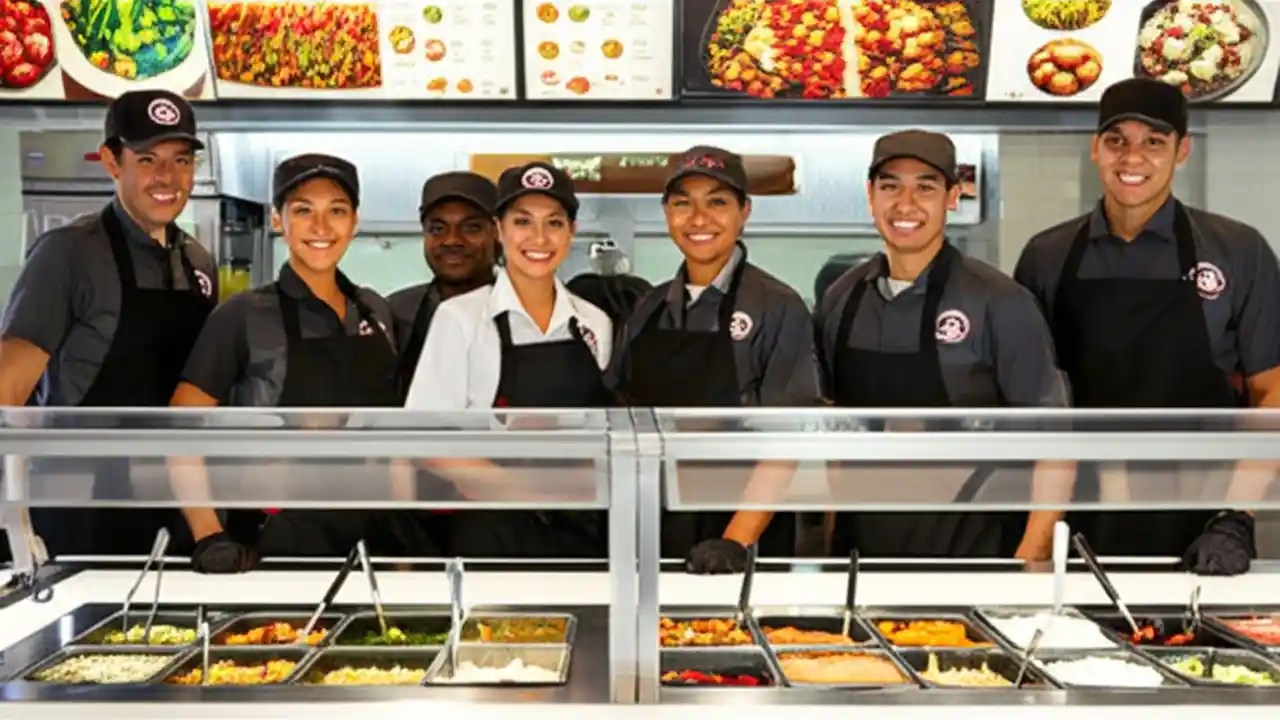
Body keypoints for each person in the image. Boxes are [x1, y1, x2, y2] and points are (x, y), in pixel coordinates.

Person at [1015, 78, 1280, 574]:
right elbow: (1034, 408)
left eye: (1154, 142)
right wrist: (1038, 538)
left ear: (1182, 151)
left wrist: (1235, 516)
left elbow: (1272, 393)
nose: (1132, 158)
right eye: (1117, 140)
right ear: (1096, 149)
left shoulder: (1239, 250)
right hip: (1078, 522)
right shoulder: (1046, 256)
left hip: (1203, 524)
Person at [816, 130, 1072, 560]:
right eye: (890, 186)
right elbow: (838, 440)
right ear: (870, 195)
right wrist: (828, 552)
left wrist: (1025, 567)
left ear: (952, 197)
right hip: (861, 556)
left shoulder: (999, 301)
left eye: (926, 188)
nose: (906, 204)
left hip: (975, 555)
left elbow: (1056, 447)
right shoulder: (841, 298)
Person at [169, 153, 427, 572]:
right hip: (277, 539)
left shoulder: (375, 311)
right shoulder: (244, 315)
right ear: (278, 220)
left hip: (373, 540)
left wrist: (404, 551)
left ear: (354, 222)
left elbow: (392, 442)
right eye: (304, 211)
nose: (321, 227)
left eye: (336, 211)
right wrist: (210, 536)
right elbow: (179, 430)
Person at [0, 90, 217, 557]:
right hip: (78, 511)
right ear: (111, 162)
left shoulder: (199, 262)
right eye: (148, 159)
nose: (167, 177)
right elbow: (7, 390)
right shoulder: (68, 253)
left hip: (172, 508)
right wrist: (13, 520)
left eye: (181, 160)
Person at [609, 146, 820, 574]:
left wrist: (734, 542)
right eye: (683, 203)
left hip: (742, 538)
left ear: (745, 211)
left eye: (717, 202)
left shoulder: (778, 306)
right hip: (654, 529)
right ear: (666, 213)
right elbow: (622, 424)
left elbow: (786, 441)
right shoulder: (647, 309)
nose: (699, 218)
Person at [405, 162, 614, 558]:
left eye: (554, 223)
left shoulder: (593, 324)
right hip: (491, 531)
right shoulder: (461, 318)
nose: (539, 238)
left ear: (572, 231)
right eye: (522, 221)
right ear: (499, 229)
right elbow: (427, 440)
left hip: (582, 534)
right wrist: (533, 495)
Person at [388, 172, 499, 399]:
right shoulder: (396, 313)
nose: (452, 240)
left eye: (471, 228)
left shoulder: (520, 312)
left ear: (498, 232)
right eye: (438, 229)